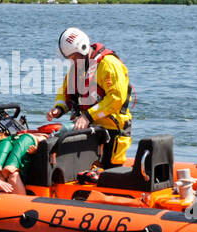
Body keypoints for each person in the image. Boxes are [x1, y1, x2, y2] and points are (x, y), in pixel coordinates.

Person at [48, 27, 134, 166]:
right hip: (89, 131)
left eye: (74, 57)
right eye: (70, 58)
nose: (73, 61)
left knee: (109, 172)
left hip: (112, 129)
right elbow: (65, 93)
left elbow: (116, 98)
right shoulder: (76, 67)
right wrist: (59, 108)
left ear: (82, 48)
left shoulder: (108, 64)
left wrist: (88, 116)